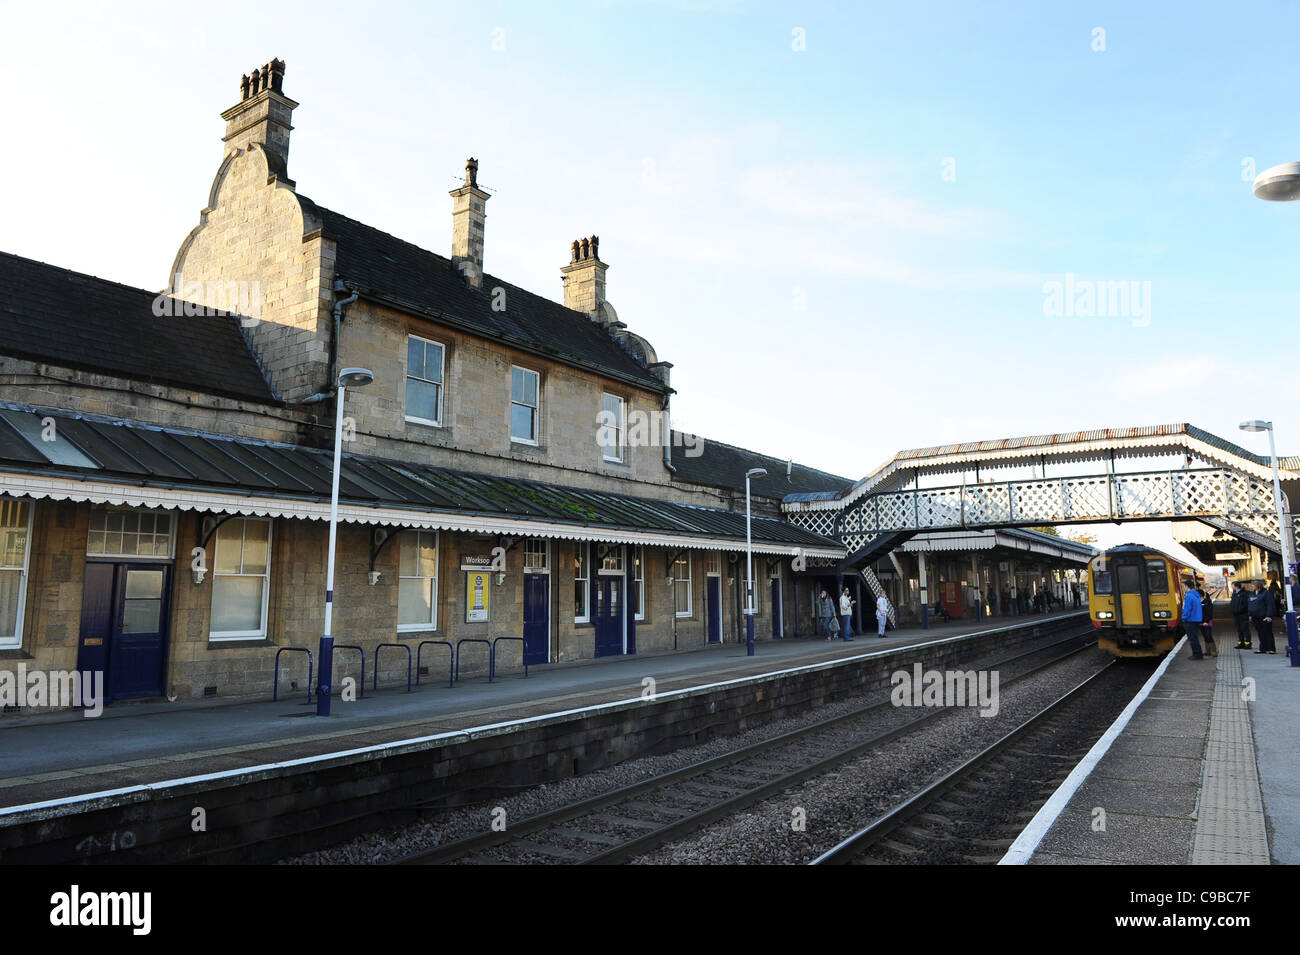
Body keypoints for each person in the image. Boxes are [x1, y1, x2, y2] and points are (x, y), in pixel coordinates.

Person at [1250, 580, 1277, 654]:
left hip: (1264, 616)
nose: (1251, 586)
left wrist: (1269, 615)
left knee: (1268, 632)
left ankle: (1271, 648)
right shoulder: (1252, 594)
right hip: (1255, 617)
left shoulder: (1266, 593)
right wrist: (1250, 614)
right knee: (1260, 633)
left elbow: (1270, 604)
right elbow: (1250, 604)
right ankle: (1262, 648)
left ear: (1257, 585)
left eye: (1253, 585)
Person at [1182, 581, 1204, 659]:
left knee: (1192, 638)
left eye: (1183, 586)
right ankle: (1198, 654)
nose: (1183, 588)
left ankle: (1197, 655)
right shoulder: (1196, 595)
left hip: (1190, 620)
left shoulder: (1188, 596)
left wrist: (1184, 618)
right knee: (1194, 637)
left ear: (1187, 586)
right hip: (1196, 619)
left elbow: (1187, 609)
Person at [1230, 580, 1251, 650]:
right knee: (1239, 629)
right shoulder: (1234, 594)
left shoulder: (1244, 594)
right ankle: (1241, 643)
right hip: (1236, 615)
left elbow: (1245, 604)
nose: (1231, 587)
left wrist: (1240, 610)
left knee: (1245, 629)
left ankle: (1248, 643)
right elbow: (1232, 603)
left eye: (1232, 586)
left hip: (1243, 614)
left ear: (1236, 586)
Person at [1197, 584, 1217, 657]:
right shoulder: (1197, 602)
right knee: (1205, 636)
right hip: (1200, 621)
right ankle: (1207, 651)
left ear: (1200, 595)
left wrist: (1206, 621)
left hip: (1207, 621)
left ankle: (1214, 651)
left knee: (1208, 635)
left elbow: (1209, 612)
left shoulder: (1207, 602)